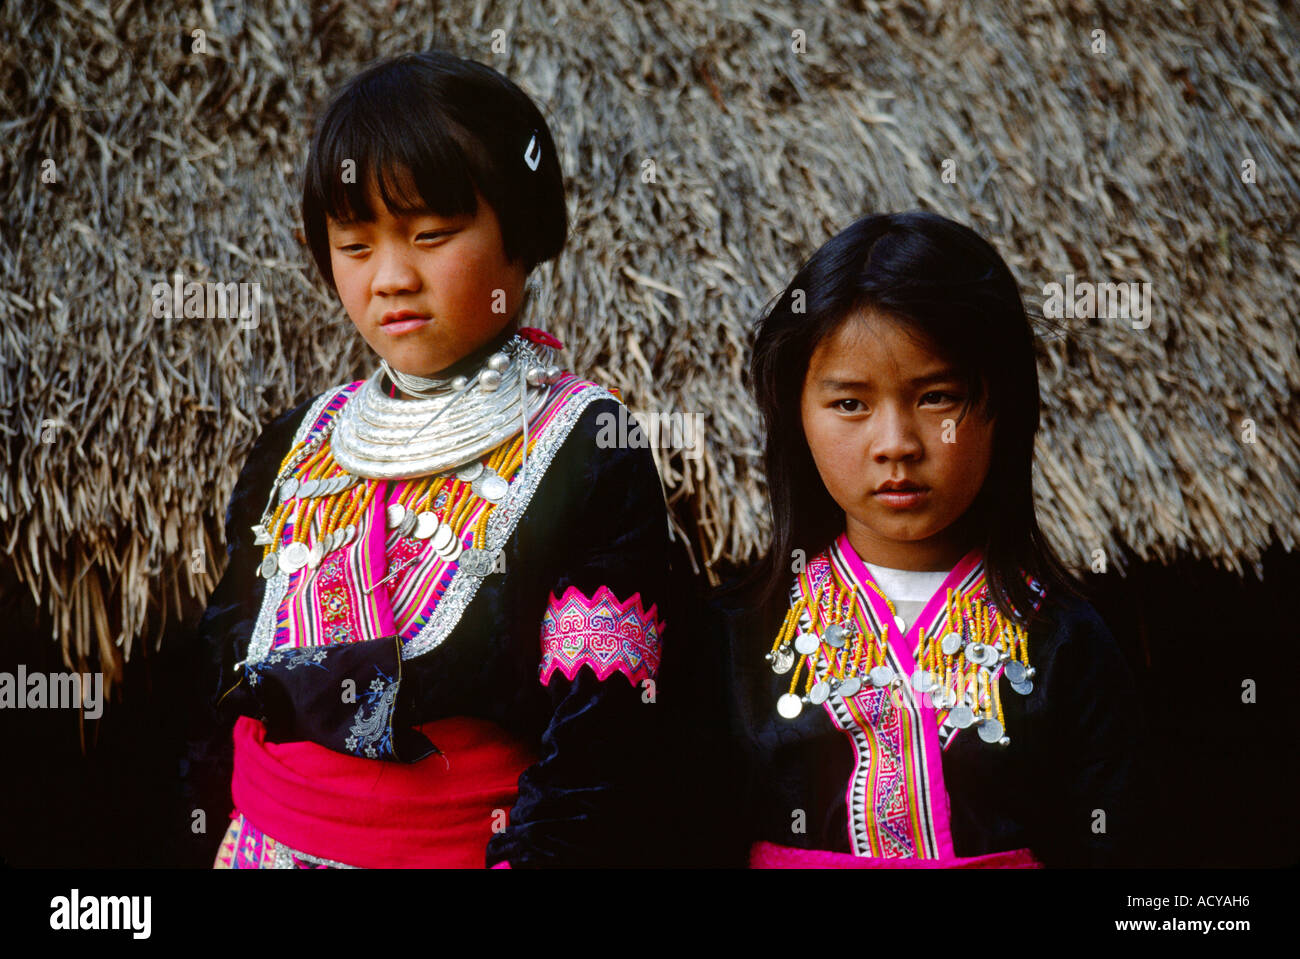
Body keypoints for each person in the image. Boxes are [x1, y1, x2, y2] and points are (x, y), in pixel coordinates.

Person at [181, 50, 673, 868]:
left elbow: (602, 738)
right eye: (355, 243)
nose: (392, 278)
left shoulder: (588, 449)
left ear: (523, 235)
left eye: (430, 234)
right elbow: (216, 687)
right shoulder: (296, 442)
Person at [697, 211, 1152, 868]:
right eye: (850, 403)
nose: (896, 445)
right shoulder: (733, 637)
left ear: (1003, 405)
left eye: (937, 396)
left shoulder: (1069, 640)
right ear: (796, 413)